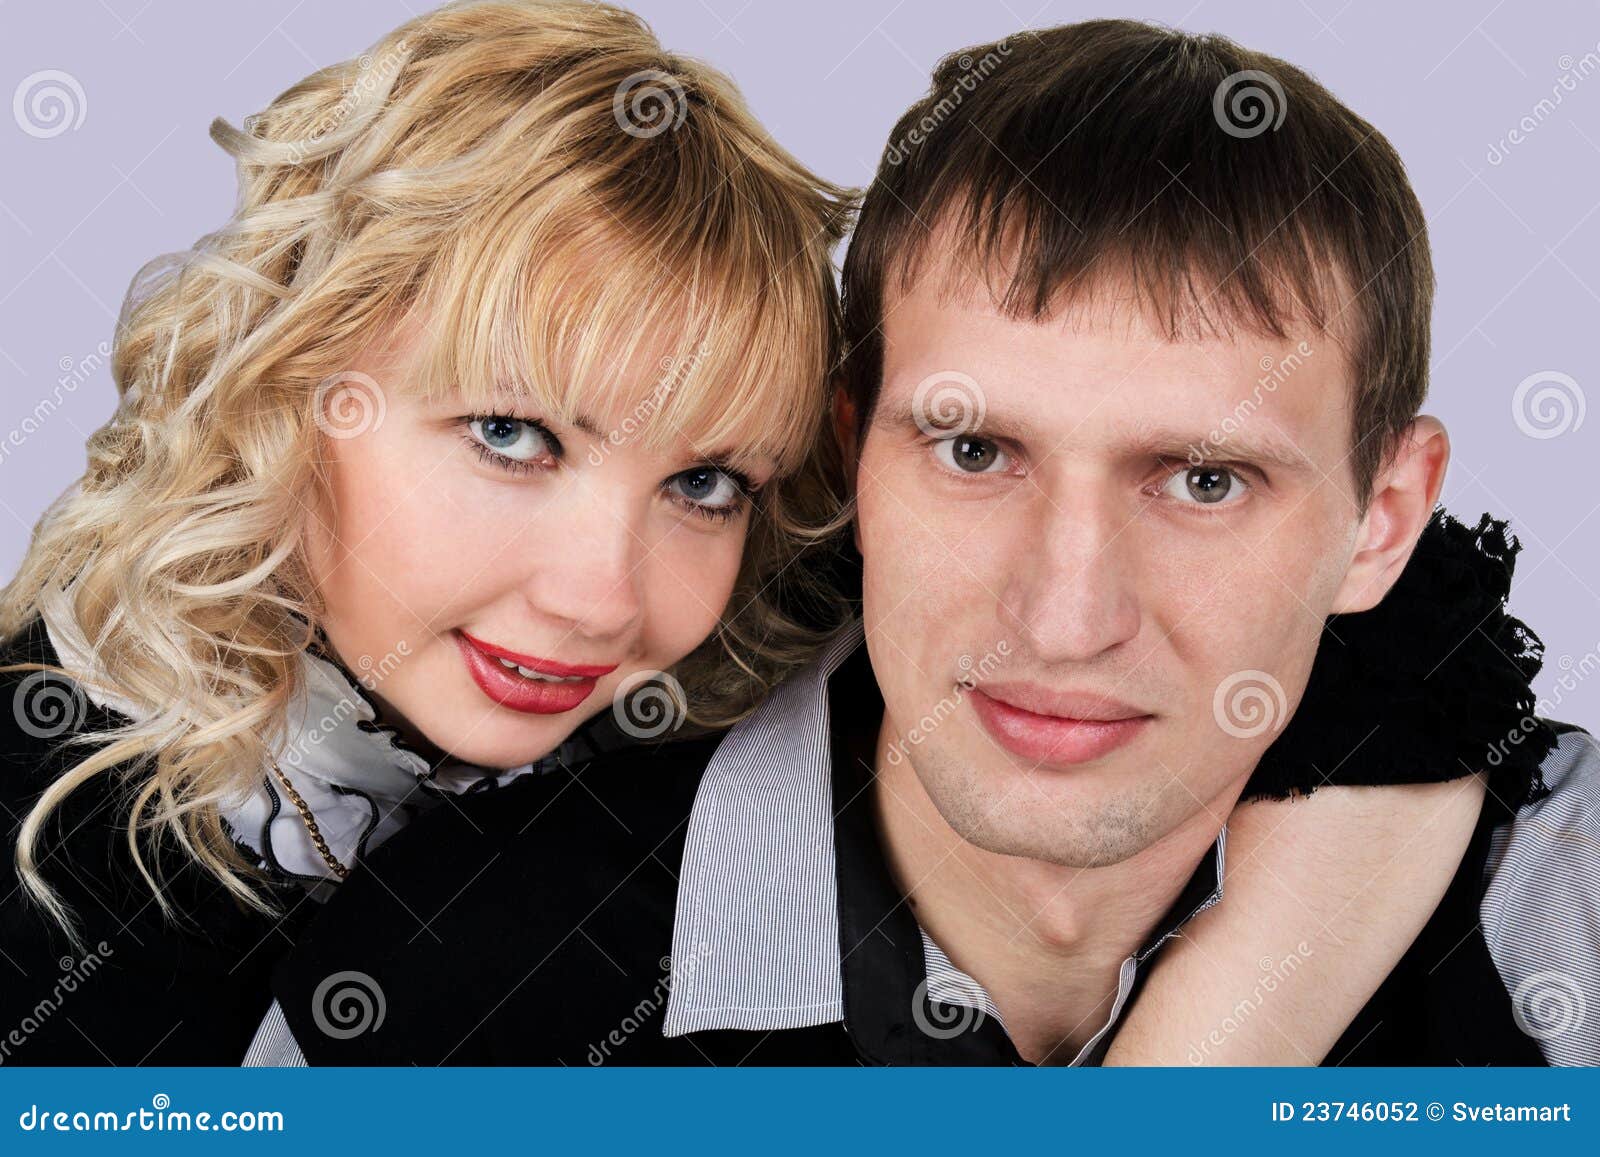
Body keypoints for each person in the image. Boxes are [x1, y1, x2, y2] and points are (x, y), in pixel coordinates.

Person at [241, 20, 1591, 1066]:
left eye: (1203, 479)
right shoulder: (440, 982)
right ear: (849, 460)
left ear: (1385, 521)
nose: (1065, 618)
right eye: (975, 453)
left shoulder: (1557, 900)